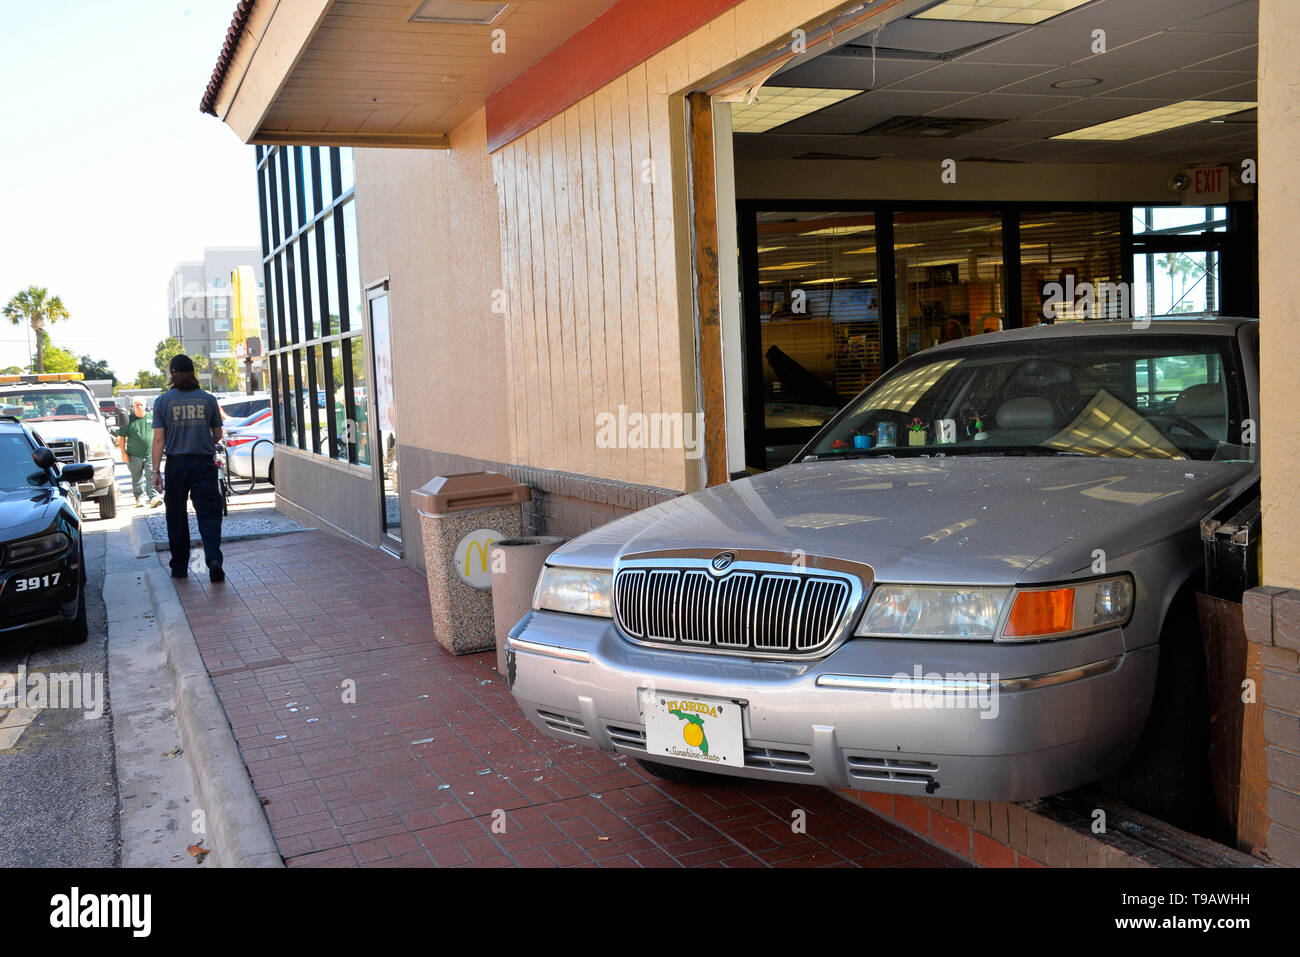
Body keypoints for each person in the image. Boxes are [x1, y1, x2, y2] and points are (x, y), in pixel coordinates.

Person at [151, 355, 225, 582]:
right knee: (209, 513)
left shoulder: (163, 402)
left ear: (173, 374)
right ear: (193, 374)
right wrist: (203, 439)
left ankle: (180, 567)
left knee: (176, 516)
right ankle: (212, 559)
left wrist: (155, 471)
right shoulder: (208, 400)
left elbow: (158, 440)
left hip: (176, 465)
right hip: (203, 463)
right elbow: (218, 434)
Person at [119, 397, 162, 508]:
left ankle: (153, 497)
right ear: (133, 407)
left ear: (145, 405)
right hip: (134, 455)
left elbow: (159, 433)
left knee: (151, 476)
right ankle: (139, 498)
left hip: (150, 454)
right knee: (137, 478)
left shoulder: (152, 418)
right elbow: (122, 437)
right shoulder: (128, 420)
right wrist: (123, 453)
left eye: (141, 404)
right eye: (137, 405)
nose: (139, 407)